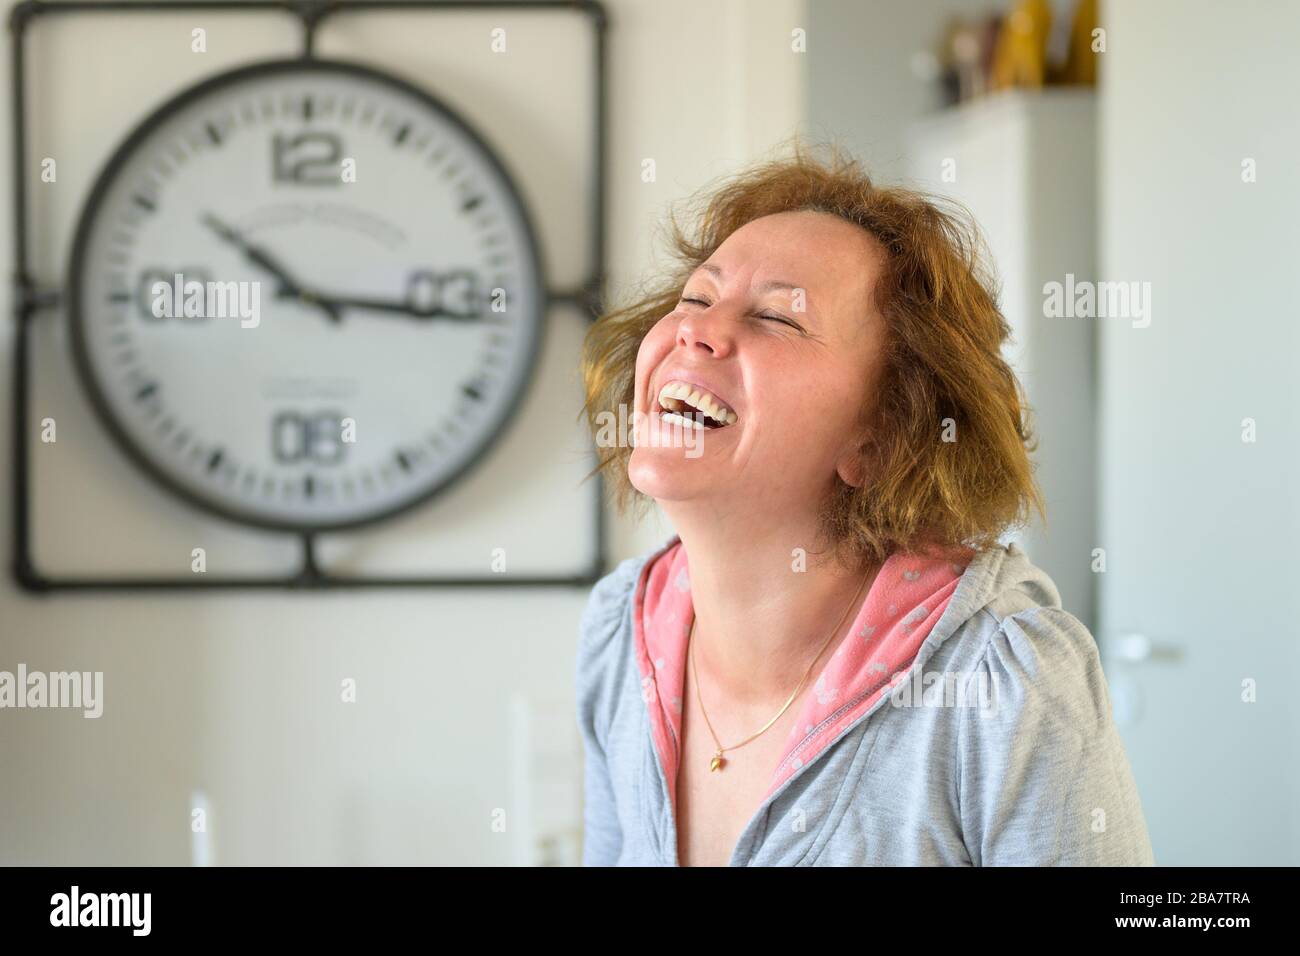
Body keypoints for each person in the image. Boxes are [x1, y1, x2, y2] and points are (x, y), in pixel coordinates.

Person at [574, 140, 1154, 867]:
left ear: (882, 438)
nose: (694, 328)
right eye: (696, 295)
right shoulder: (620, 634)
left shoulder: (1006, 685)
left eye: (778, 318)